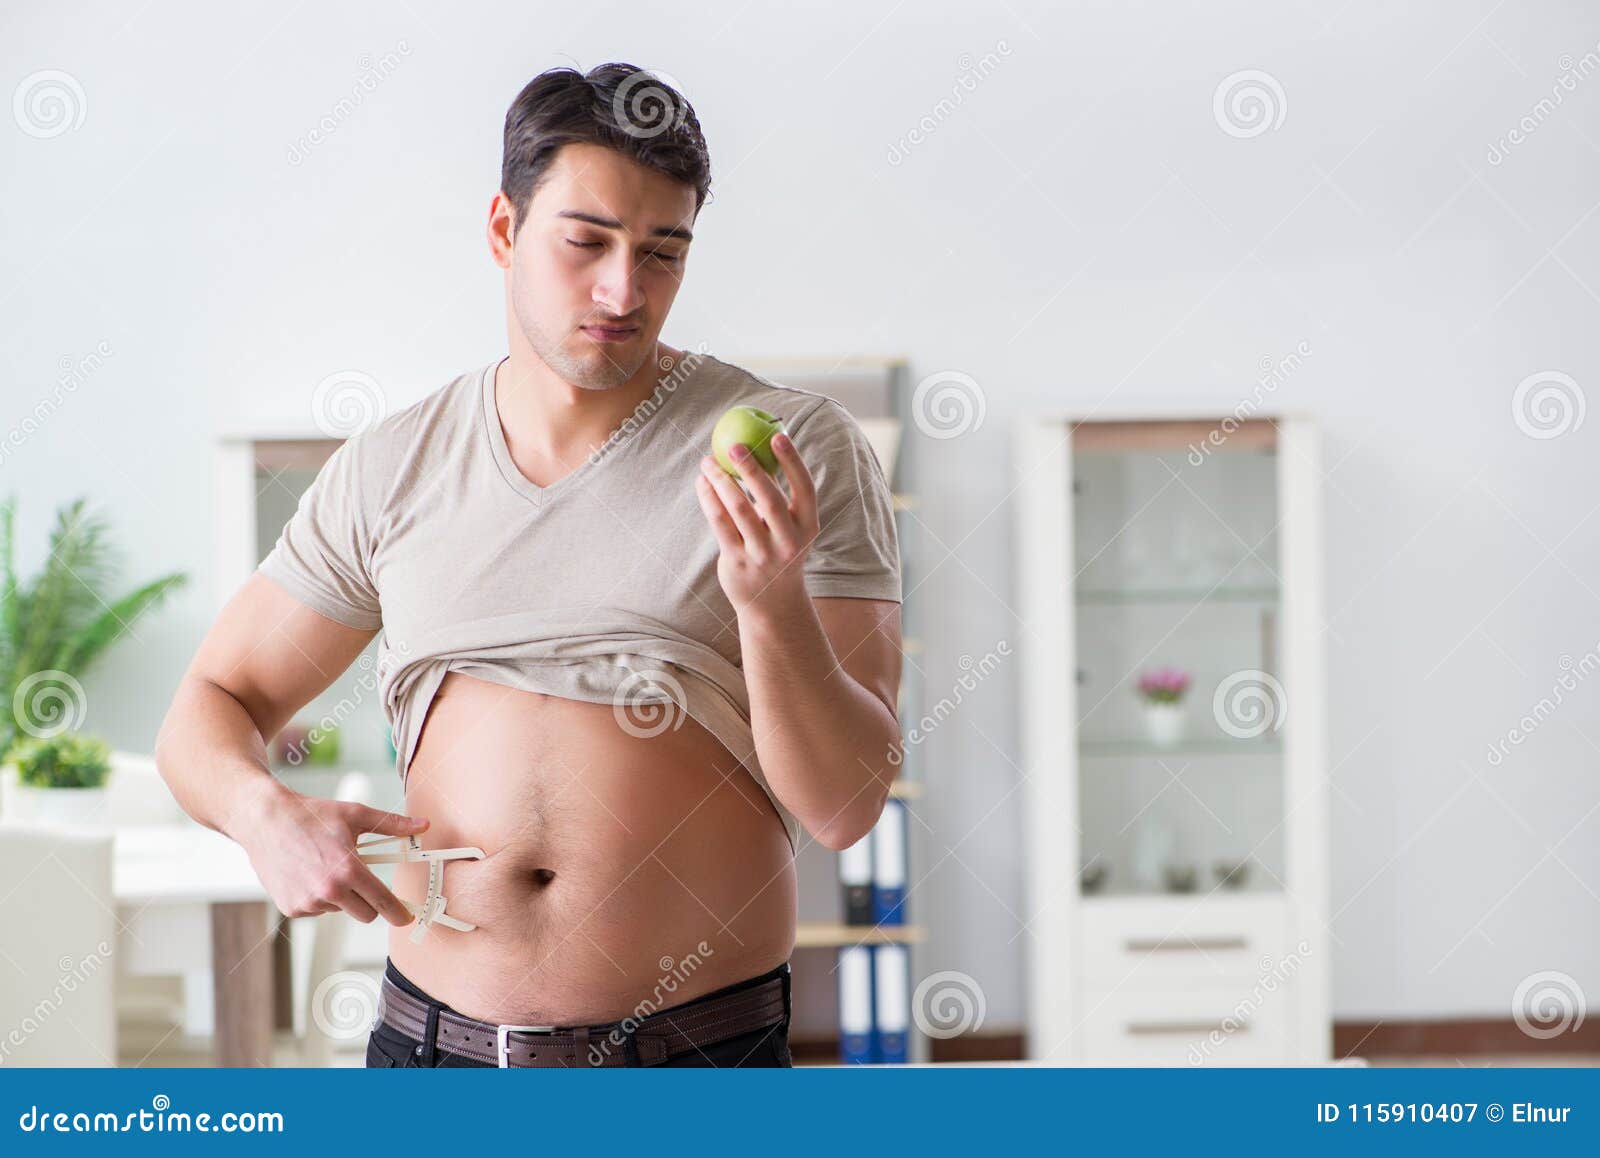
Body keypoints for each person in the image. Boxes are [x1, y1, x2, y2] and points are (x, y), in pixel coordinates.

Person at [155, 62, 904, 1068]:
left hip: (698, 1063)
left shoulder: (791, 457)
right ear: (504, 230)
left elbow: (846, 805)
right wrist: (262, 816)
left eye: (662, 252)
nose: (623, 289)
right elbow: (209, 705)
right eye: (585, 242)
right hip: (434, 1059)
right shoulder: (392, 466)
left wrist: (770, 605)